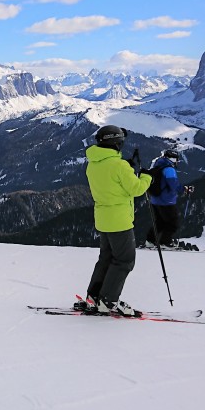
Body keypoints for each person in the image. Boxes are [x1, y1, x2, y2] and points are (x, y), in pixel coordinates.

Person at [77, 125, 152, 316]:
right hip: (119, 220)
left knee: (106, 259)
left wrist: (125, 168)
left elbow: (110, 179)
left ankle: (93, 297)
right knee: (125, 260)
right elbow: (136, 189)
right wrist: (146, 177)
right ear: (116, 143)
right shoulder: (119, 166)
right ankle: (108, 300)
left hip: (103, 218)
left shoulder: (93, 163)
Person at [144, 149, 194, 248]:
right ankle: (165, 243)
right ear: (172, 159)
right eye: (176, 160)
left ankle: (150, 241)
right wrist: (184, 189)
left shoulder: (158, 165)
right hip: (166, 201)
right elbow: (173, 185)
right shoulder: (169, 169)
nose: (177, 162)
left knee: (159, 222)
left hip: (155, 199)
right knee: (172, 223)